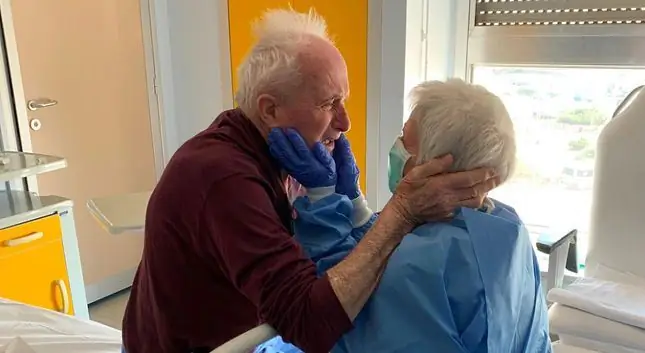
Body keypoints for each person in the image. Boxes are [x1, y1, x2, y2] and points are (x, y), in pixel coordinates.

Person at [121, 8, 499, 353]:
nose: (345, 122)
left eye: (343, 101)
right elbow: (312, 322)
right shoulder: (224, 178)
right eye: (328, 104)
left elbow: (339, 261)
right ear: (270, 109)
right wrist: (400, 213)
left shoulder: (278, 151)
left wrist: (352, 202)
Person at [257, 79, 552, 353]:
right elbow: (395, 245)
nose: (396, 147)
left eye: (404, 139)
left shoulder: (422, 265)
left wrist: (322, 201)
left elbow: (339, 314)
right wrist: (357, 208)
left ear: (433, 168)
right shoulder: (506, 226)